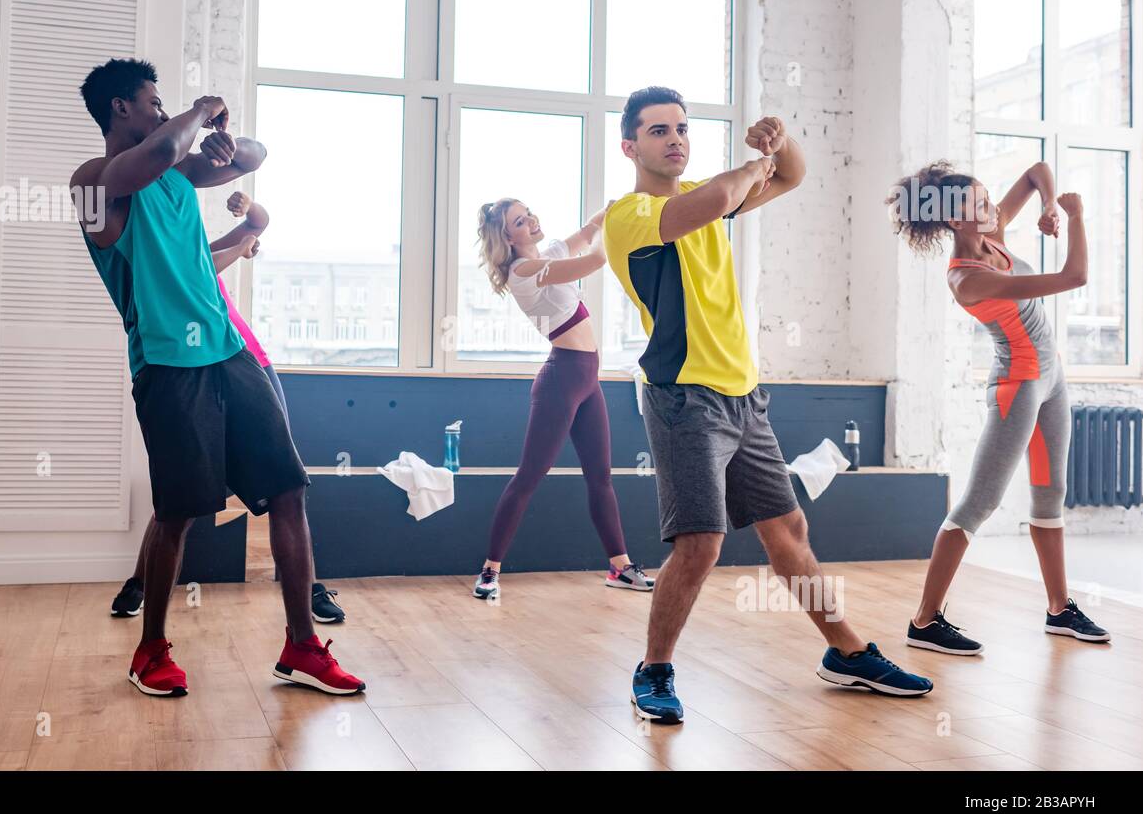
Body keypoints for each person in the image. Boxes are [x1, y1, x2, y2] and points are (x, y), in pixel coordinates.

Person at [604, 86, 934, 724]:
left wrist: (778, 141)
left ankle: (846, 651)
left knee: (789, 532)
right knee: (700, 545)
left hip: (743, 398)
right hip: (683, 400)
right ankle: (653, 671)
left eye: (681, 128)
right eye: (657, 131)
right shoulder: (633, 216)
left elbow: (794, 173)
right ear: (629, 146)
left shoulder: (708, 203)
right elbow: (724, 196)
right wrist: (756, 163)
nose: (675, 138)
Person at [71, 57, 363, 697]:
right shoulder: (94, 181)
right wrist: (201, 111)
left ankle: (302, 648)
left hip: (230, 355)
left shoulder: (177, 171)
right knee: (177, 513)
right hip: (167, 366)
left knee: (288, 490)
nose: (159, 109)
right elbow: (145, 161)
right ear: (121, 108)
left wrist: (228, 137)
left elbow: (254, 157)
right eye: (152, 101)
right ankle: (150, 650)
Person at [887, 160, 1110, 653]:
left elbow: (1036, 171)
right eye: (981, 205)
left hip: (1052, 381)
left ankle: (1059, 610)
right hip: (1017, 388)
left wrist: (1048, 204)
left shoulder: (991, 231)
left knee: (1051, 495)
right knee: (979, 504)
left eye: (989, 199)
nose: (992, 209)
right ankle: (925, 621)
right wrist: (1074, 217)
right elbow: (1075, 276)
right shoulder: (969, 279)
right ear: (953, 220)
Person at [109, 190, 345, 624]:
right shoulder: (165, 260)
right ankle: (140, 583)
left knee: (285, 482)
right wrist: (241, 248)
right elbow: (204, 269)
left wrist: (248, 207)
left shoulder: (197, 246)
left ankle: (310, 590)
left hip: (249, 362)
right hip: (193, 370)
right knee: (180, 495)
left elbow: (260, 221)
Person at [473, 200, 654, 599]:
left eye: (529, 213)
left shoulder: (547, 254)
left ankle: (619, 566)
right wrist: (617, 232)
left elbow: (588, 231)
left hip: (588, 379)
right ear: (507, 237)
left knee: (601, 478)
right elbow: (593, 260)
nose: (531, 220)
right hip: (561, 380)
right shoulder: (524, 271)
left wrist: (613, 211)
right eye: (520, 221)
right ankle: (490, 570)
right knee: (528, 478)